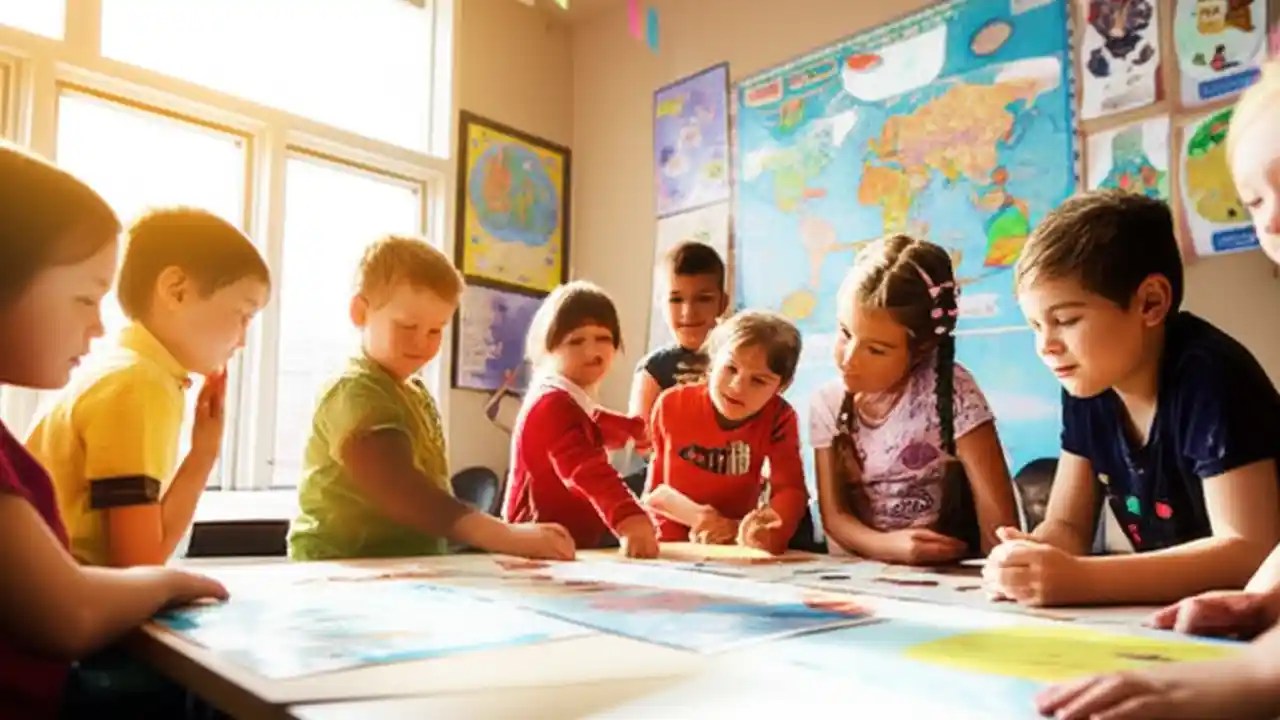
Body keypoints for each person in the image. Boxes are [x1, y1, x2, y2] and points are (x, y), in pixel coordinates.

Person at [1034, 60, 1280, 720]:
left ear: (1149, 302)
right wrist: (1268, 602)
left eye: (1063, 321)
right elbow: (1065, 522)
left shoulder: (1209, 374)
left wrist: (1082, 577)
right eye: (1255, 203)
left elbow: (1249, 544)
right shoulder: (1087, 385)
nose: (1273, 224)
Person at [0, 142, 226, 718]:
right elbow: (69, 613)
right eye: (84, 297)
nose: (99, 325)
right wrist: (171, 583)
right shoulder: (137, 382)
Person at [288, 235, 574, 562]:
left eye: (435, 330)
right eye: (407, 326)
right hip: (339, 565)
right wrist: (503, 534)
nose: (422, 343)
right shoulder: (354, 390)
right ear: (360, 313)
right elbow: (399, 489)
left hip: (409, 564)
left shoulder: (415, 393)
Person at [27, 208, 270, 568]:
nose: (243, 340)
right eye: (243, 314)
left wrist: (203, 451)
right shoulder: (139, 384)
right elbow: (138, 566)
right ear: (177, 291)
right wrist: (203, 459)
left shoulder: (116, 366)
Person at [811, 235, 1018, 564]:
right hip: (857, 579)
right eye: (845, 333)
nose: (850, 359)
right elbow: (834, 518)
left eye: (876, 349)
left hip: (945, 578)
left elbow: (1000, 526)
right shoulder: (828, 405)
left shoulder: (952, 392)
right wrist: (892, 547)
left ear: (921, 349)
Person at [504, 281, 658, 557]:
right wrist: (629, 517)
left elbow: (592, 423)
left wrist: (633, 430)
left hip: (567, 544)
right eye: (576, 341)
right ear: (549, 349)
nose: (592, 351)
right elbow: (584, 467)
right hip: (539, 544)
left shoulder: (569, 400)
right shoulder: (552, 404)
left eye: (603, 338)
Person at [643, 310, 808, 555]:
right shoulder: (671, 405)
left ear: (781, 386)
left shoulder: (779, 418)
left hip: (732, 545)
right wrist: (700, 517)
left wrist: (767, 530)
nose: (737, 387)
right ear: (713, 360)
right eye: (731, 368)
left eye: (759, 381)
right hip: (671, 546)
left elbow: (790, 489)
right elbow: (655, 494)